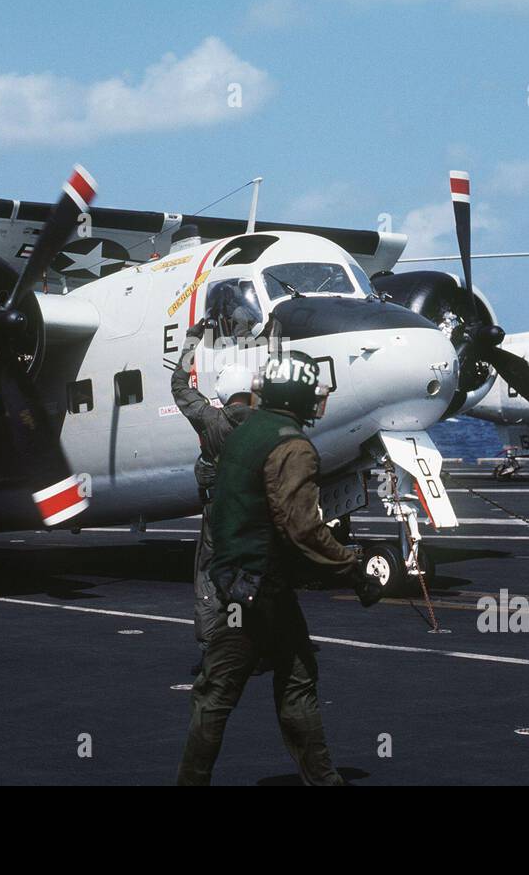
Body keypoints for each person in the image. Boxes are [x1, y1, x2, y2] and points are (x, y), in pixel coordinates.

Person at [176, 350, 383, 786]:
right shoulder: (292, 445)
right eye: (314, 392)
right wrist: (354, 569)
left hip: (235, 578)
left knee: (295, 675)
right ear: (299, 394)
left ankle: (324, 780)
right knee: (220, 693)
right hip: (257, 588)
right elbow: (302, 528)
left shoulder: (244, 429)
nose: (319, 400)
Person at [171, 321, 254, 665]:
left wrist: (192, 340)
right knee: (242, 580)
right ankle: (240, 641)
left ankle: (211, 647)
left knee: (209, 578)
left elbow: (179, 385)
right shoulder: (264, 424)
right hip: (251, 515)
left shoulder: (209, 420)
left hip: (217, 513)